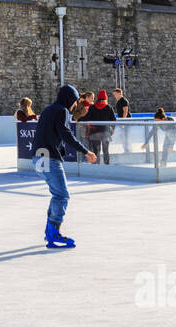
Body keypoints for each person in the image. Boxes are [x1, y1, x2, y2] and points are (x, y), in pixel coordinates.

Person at [33, 85, 97, 248]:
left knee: (57, 194)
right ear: (70, 99)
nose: (76, 104)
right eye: (75, 100)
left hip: (38, 157)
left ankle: (50, 231)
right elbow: (66, 135)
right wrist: (86, 151)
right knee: (62, 195)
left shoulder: (50, 109)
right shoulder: (62, 111)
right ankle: (53, 232)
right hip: (48, 158)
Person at [84, 89, 117, 163]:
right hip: (105, 132)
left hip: (94, 132)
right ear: (106, 99)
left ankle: (96, 166)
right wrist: (112, 129)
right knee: (106, 150)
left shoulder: (92, 107)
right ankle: (106, 165)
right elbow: (114, 120)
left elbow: (87, 118)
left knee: (96, 150)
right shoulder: (108, 107)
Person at [112, 88, 133, 152]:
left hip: (126, 121)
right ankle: (125, 148)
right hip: (122, 121)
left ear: (119, 93)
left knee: (126, 135)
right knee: (123, 135)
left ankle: (127, 149)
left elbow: (125, 111)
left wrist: (123, 122)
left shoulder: (123, 100)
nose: (114, 96)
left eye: (115, 94)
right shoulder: (119, 101)